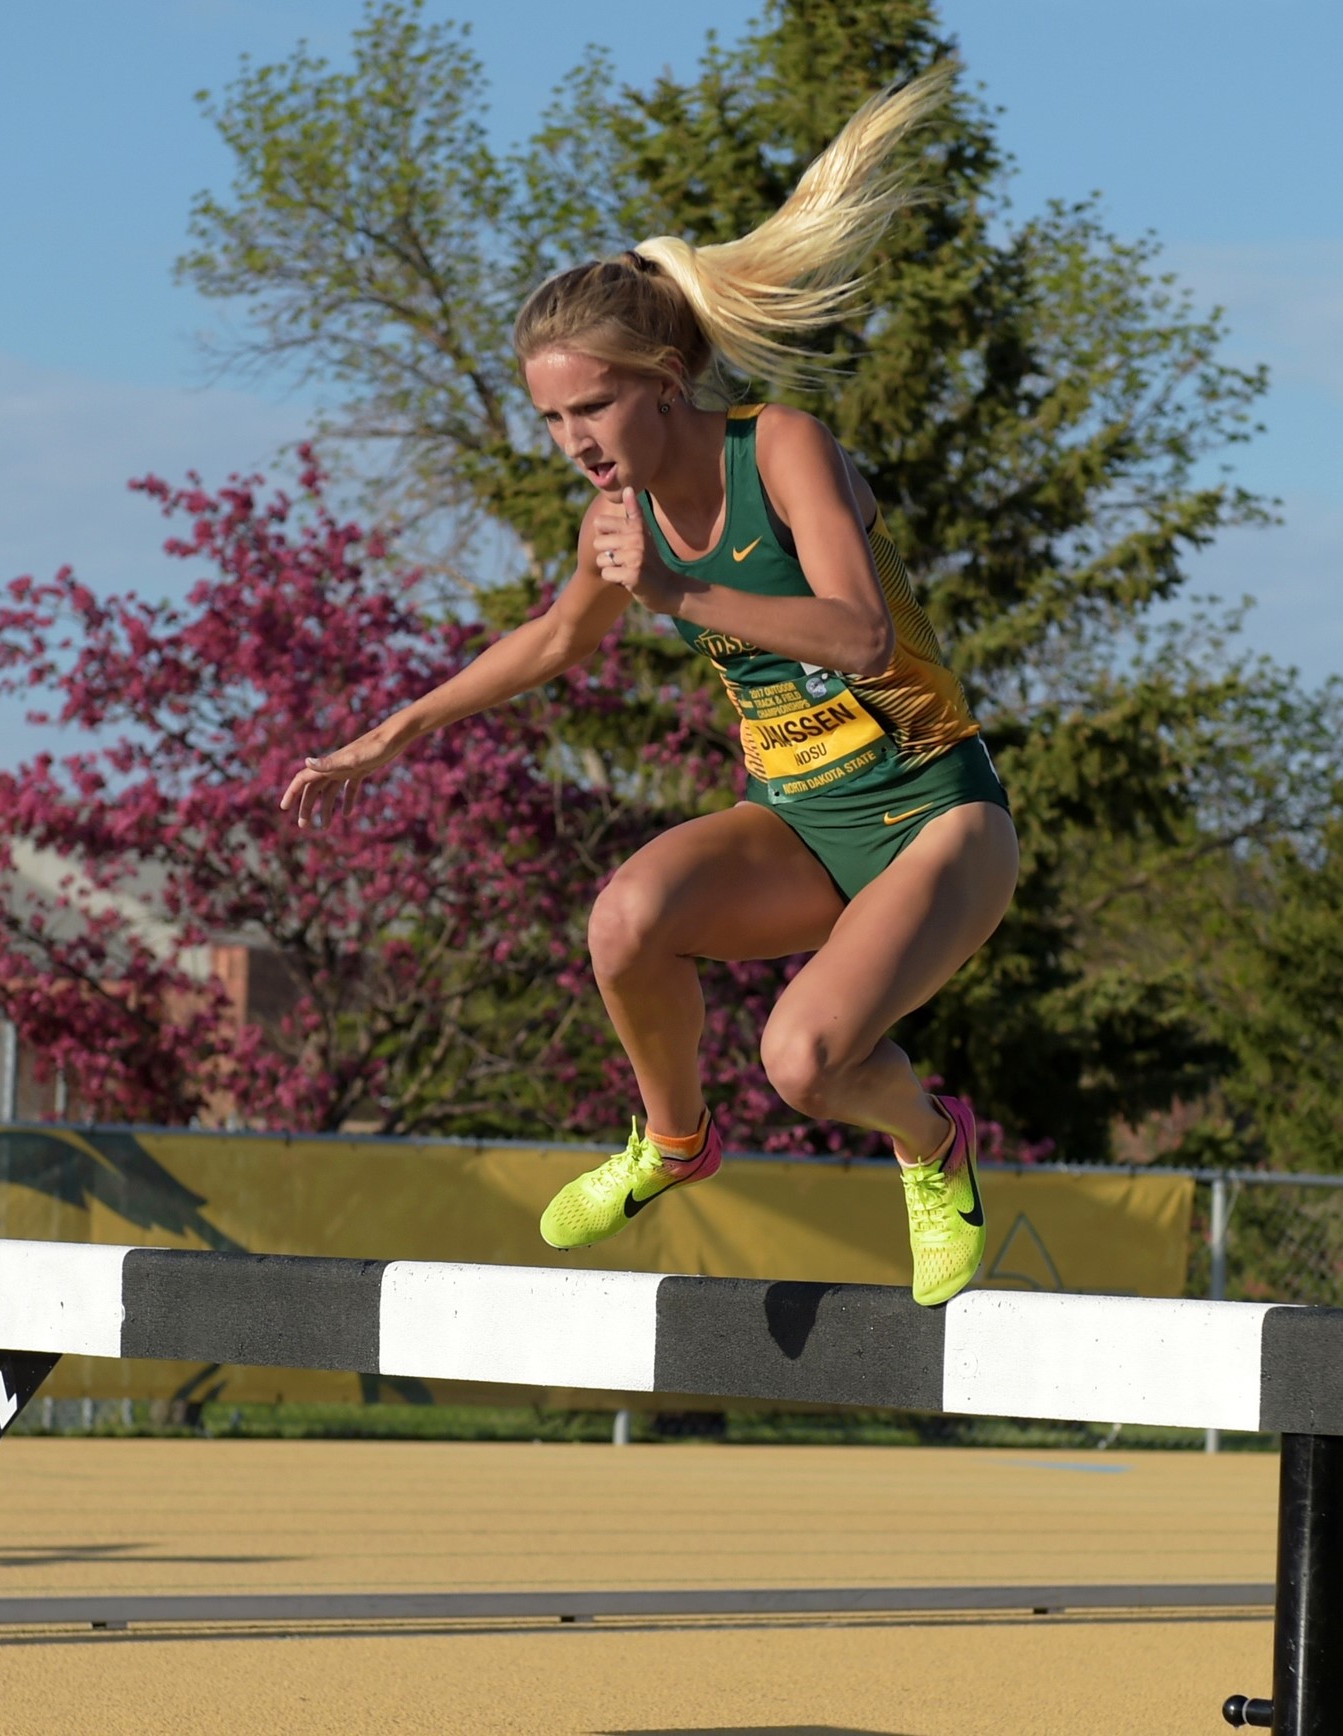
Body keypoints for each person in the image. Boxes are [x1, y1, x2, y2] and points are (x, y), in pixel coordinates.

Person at [280, 68, 1017, 1307]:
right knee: (623, 919)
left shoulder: (778, 443)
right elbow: (561, 641)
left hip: (938, 821)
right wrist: (394, 729)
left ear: (666, 381)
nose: (574, 439)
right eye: (552, 417)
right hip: (800, 829)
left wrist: (673, 597)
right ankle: (674, 1141)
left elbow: (854, 631)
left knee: (806, 1057)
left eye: (593, 405)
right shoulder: (613, 517)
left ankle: (933, 1143)